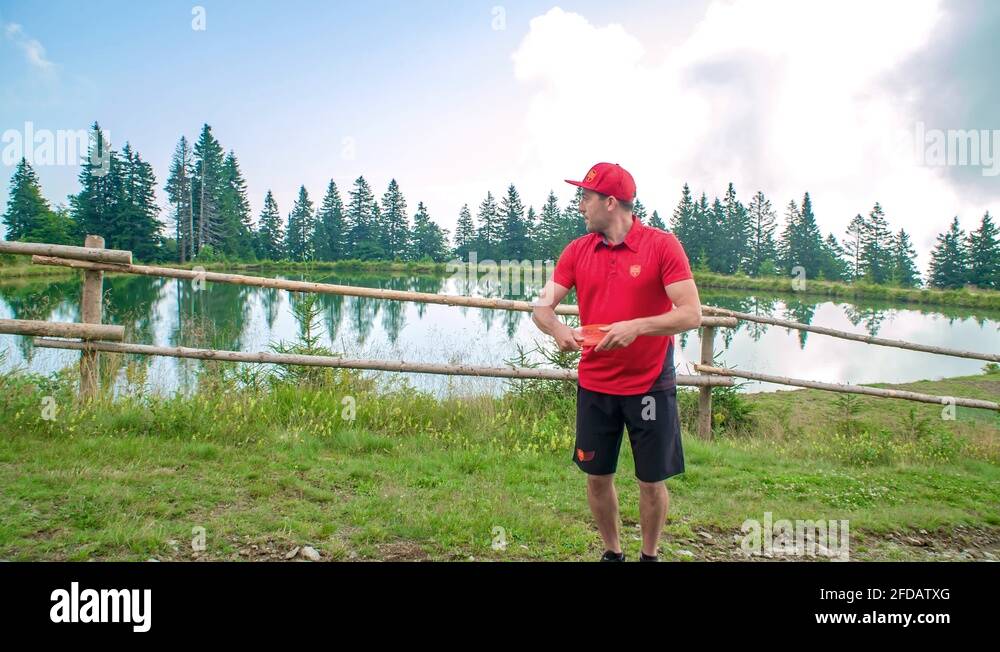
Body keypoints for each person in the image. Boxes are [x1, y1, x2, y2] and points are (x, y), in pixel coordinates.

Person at [531, 162, 702, 562]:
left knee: (650, 481)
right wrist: (558, 330)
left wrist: (638, 327)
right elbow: (542, 307)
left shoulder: (662, 245)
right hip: (596, 385)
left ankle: (649, 555)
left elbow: (691, 313)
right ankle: (612, 553)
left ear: (610, 203)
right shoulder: (577, 250)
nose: (579, 206)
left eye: (585, 198)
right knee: (596, 478)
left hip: (650, 386)